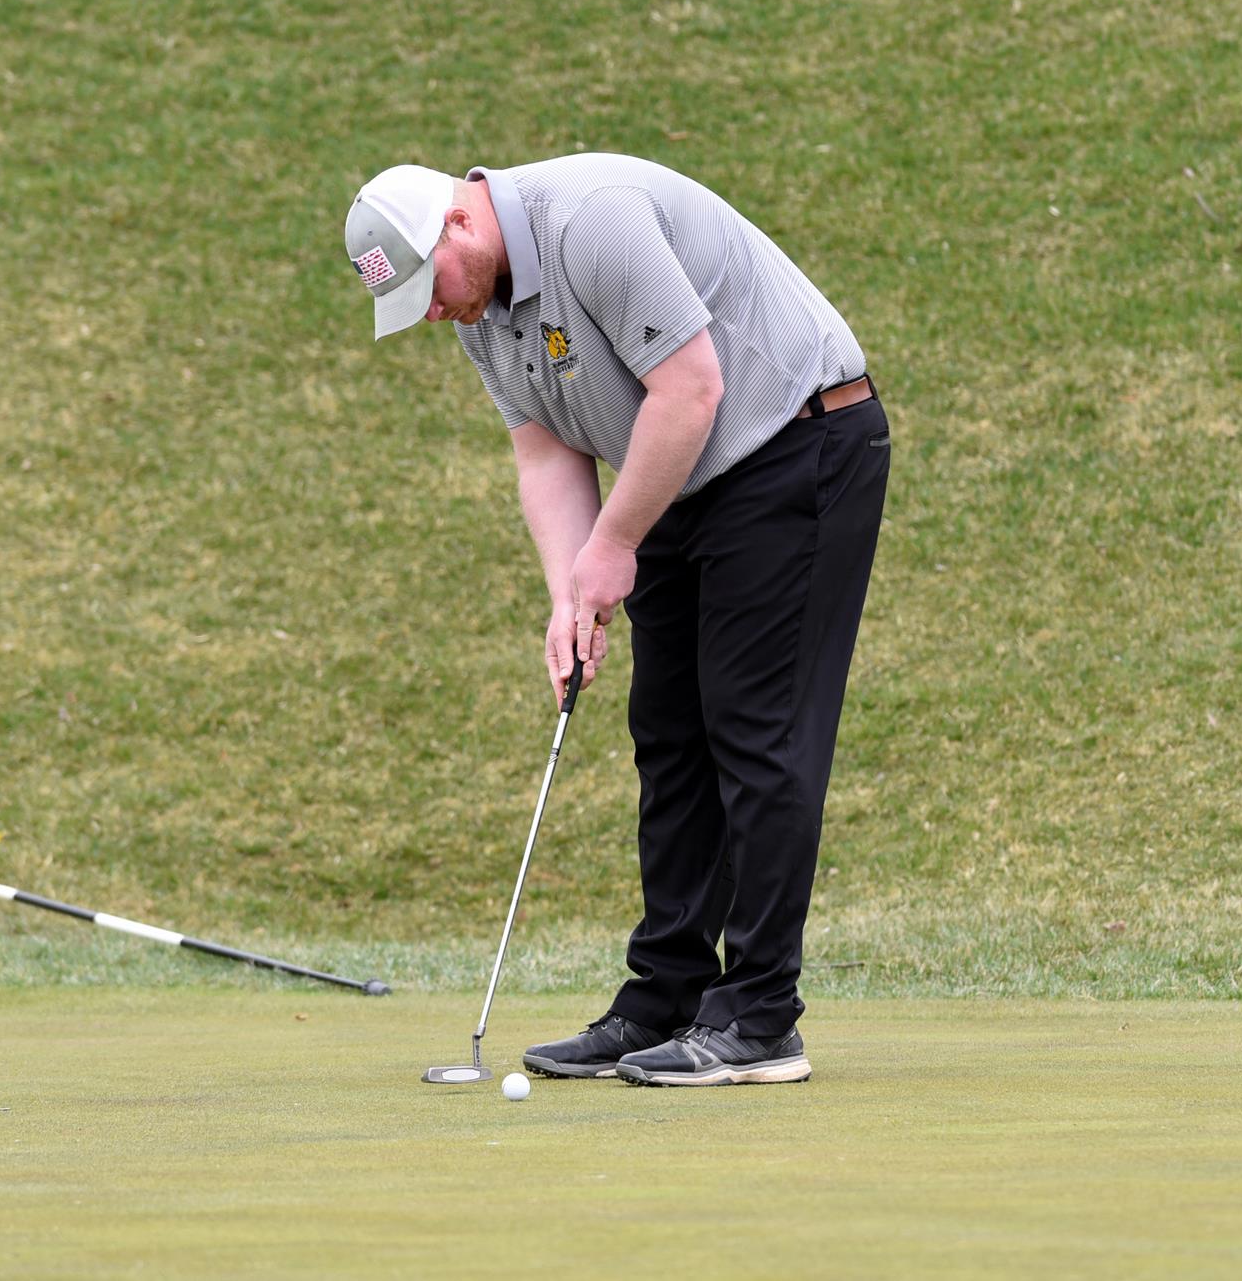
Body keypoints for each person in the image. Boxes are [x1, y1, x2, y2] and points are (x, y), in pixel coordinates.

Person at [344, 154, 890, 1086]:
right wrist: (571, 591)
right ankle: (667, 996)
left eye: (428, 289)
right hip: (680, 473)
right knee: (668, 737)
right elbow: (544, 453)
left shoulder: (590, 220)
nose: (433, 314)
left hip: (794, 442)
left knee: (755, 733)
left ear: (458, 228)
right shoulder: (482, 306)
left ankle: (761, 1017)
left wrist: (613, 545)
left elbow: (693, 390)